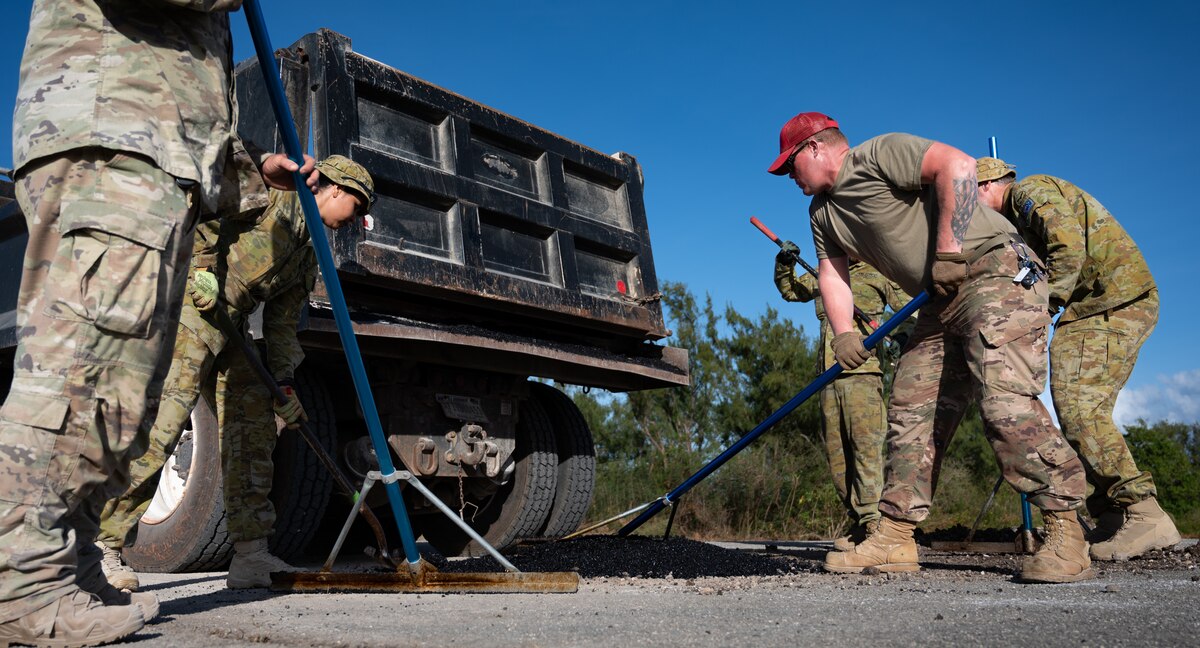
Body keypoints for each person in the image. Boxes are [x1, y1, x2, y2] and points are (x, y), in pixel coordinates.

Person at [0, 1, 316, 645]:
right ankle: (22, 585)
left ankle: (73, 565)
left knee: (120, 396)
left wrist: (253, 166)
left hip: (156, 154)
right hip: (112, 140)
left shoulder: (305, 244)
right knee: (82, 377)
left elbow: (185, 90)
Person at [768, 112, 1090, 583]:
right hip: (939, 299)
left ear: (815, 148)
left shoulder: (878, 154)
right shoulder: (821, 213)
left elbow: (956, 166)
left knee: (1003, 403)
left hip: (992, 270)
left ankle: (1066, 531)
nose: (789, 178)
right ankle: (896, 535)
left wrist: (946, 251)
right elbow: (832, 273)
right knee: (910, 408)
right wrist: (843, 334)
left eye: (790, 166)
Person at [96, 156, 373, 590]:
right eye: (356, 208)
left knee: (253, 427)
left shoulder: (306, 254)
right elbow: (205, 208)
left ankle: (250, 556)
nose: (354, 221)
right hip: (192, 304)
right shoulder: (274, 197)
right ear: (335, 189)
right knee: (164, 423)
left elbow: (282, 322)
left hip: (232, 325)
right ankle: (104, 548)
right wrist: (203, 267)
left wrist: (283, 382)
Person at [976, 157, 1180, 560]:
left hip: (1111, 302)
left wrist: (1044, 305)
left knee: (1079, 407)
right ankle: (1113, 514)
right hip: (1097, 305)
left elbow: (1067, 244)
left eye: (971, 199)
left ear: (986, 186)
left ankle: (1144, 512)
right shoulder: (1019, 219)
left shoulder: (1027, 193)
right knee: (1077, 410)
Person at [774, 252, 908, 549]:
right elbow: (791, 291)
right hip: (827, 375)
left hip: (863, 372)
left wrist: (902, 337)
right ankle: (859, 522)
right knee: (837, 455)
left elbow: (910, 311)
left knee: (866, 448)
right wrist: (785, 264)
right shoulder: (826, 273)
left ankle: (876, 523)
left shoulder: (880, 272)